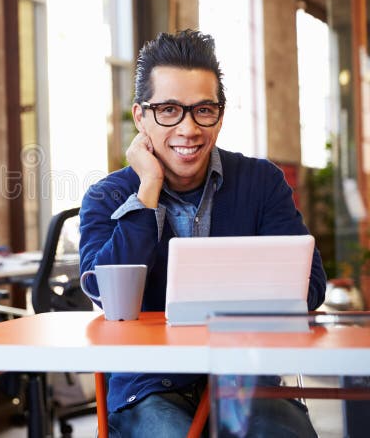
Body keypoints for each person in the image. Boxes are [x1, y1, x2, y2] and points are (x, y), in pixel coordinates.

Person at [79, 29, 327, 437]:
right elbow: (105, 295)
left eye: (203, 110)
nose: (189, 128)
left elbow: (311, 288)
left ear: (220, 115)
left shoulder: (262, 183)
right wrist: (147, 190)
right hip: (149, 387)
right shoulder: (107, 196)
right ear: (140, 117)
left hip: (248, 378)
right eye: (169, 110)